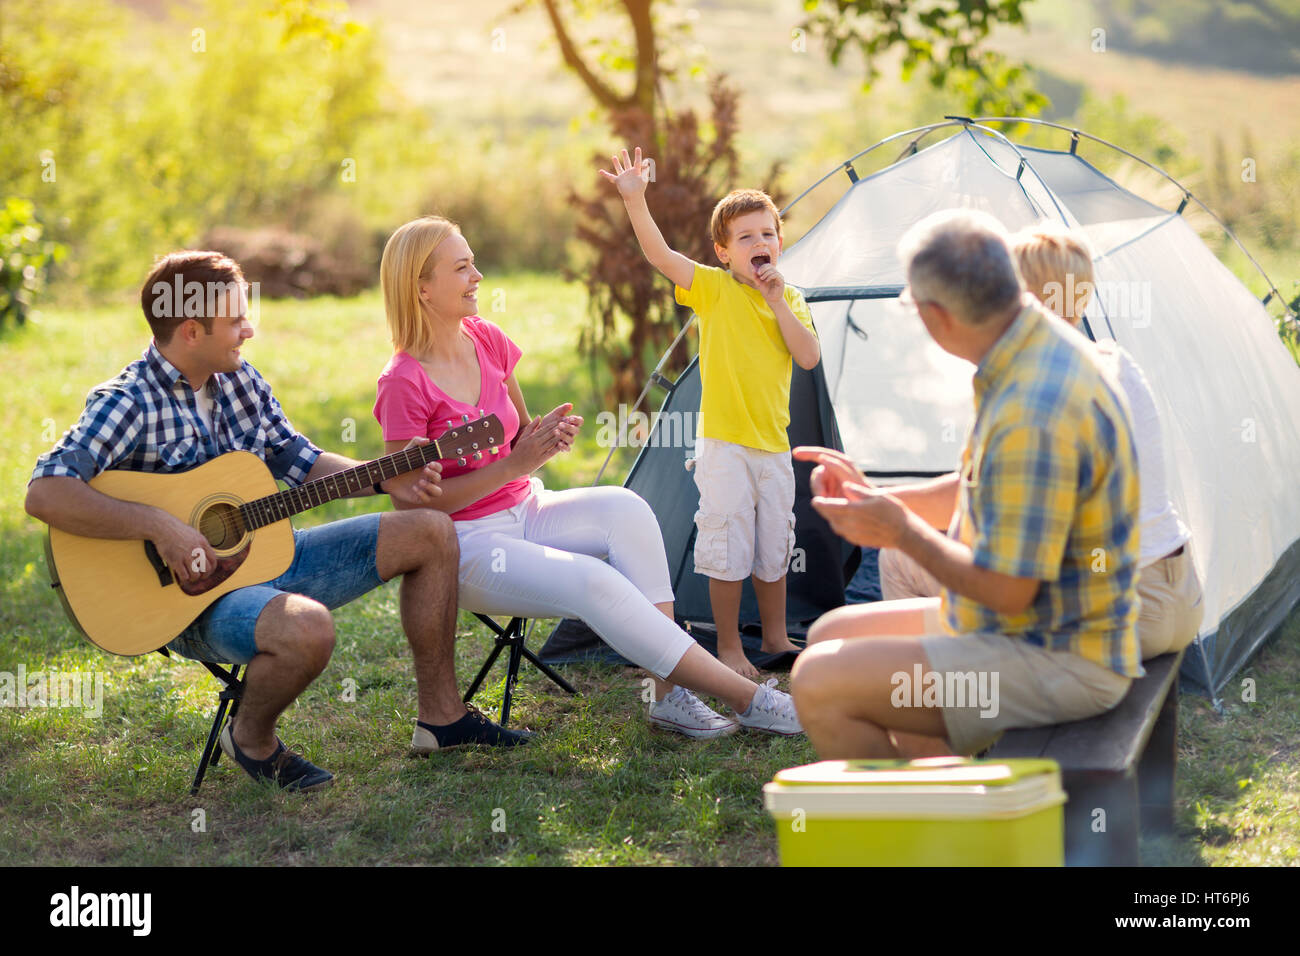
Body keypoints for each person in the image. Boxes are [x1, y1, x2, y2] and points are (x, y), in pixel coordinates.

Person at [25, 250, 529, 793]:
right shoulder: (126, 402)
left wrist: (387, 476)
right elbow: (46, 493)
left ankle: (442, 717)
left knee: (430, 529)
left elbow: (302, 462)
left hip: (273, 556)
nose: (250, 330)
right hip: (192, 599)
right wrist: (159, 526)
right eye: (237, 320)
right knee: (307, 626)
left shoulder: (239, 381)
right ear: (192, 330)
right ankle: (252, 739)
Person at [372, 216, 803, 739]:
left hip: (526, 508)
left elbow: (518, 439)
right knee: (593, 580)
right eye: (463, 268)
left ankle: (668, 697)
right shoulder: (402, 382)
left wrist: (544, 437)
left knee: (628, 509)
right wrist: (515, 464)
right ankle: (749, 699)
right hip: (469, 544)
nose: (478, 276)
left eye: (474, 263)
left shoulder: (486, 339)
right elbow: (414, 513)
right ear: (421, 287)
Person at [789, 209, 1142, 759]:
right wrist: (878, 501)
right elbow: (980, 482)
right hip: (1031, 625)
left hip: (1061, 654)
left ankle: (918, 837)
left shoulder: (1032, 407)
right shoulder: (1027, 347)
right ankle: (943, 798)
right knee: (827, 636)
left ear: (934, 315)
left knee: (817, 681)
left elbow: (1008, 588)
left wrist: (902, 532)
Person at [860, 224, 1203, 661]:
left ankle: (945, 688)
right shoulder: (1115, 360)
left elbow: (989, 540)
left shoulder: (1040, 386)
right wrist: (876, 499)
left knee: (898, 565)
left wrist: (894, 521)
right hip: (1179, 593)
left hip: (1116, 608)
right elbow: (975, 490)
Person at [603, 146, 821, 679]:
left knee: (775, 544)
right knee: (726, 546)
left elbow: (809, 356)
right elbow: (661, 256)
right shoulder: (715, 290)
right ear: (724, 253)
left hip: (772, 446)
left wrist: (775, 301)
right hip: (724, 446)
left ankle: (773, 636)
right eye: (746, 238)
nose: (760, 244)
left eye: (768, 234)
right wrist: (635, 200)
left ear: (781, 242)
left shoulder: (790, 299)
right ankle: (728, 647)